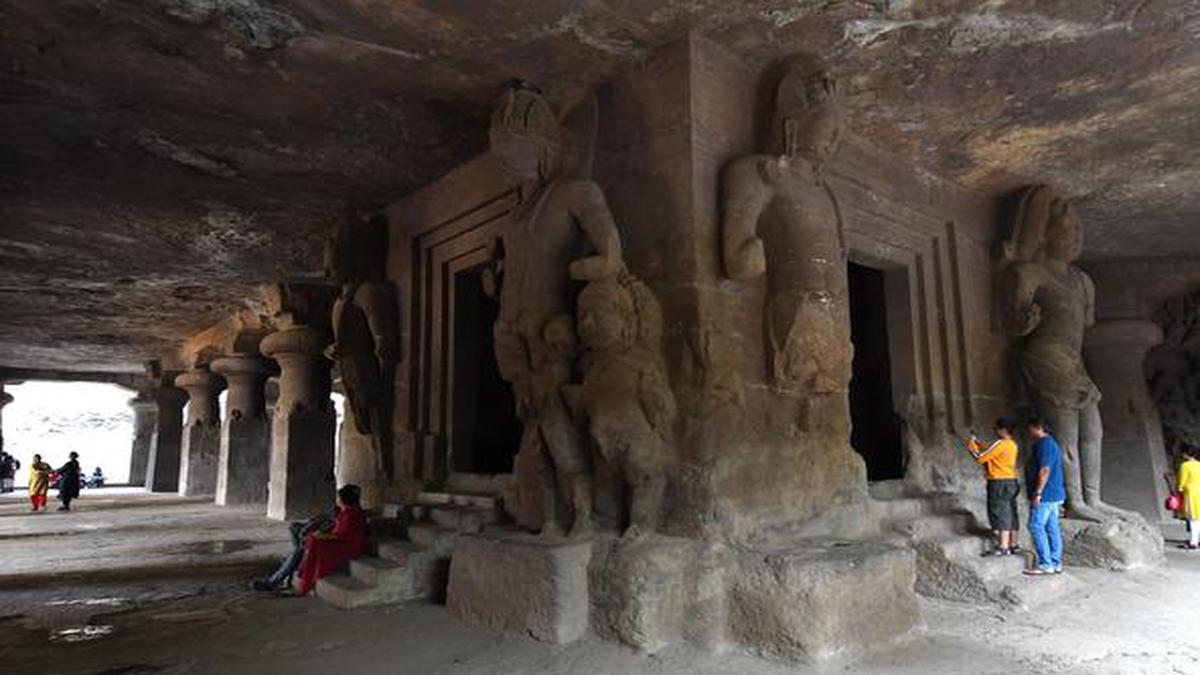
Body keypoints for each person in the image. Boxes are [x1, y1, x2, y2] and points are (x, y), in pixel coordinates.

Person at [294, 485, 368, 596]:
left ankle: (307, 579)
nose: (337, 499)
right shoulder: (347, 512)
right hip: (343, 542)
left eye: (338, 497)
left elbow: (342, 535)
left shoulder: (350, 514)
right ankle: (306, 576)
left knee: (314, 541)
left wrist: (323, 536)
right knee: (311, 539)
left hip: (348, 546)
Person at [967, 418, 1021, 556]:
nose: (995, 431)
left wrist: (971, 445)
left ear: (1003, 430)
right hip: (1011, 480)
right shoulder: (1012, 444)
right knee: (1011, 511)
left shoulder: (1000, 443)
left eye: (996, 429)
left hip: (999, 482)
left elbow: (980, 457)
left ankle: (1003, 546)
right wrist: (978, 444)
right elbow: (990, 453)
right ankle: (1013, 544)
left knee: (1001, 511)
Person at [251, 508, 337, 592]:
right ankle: (297, 552)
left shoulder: (341, 514)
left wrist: (313, 531)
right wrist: (308, 527)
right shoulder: (336, 509)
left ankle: (274, 580)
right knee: (294, 528)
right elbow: (321, 518)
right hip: (318, 530)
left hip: (326, 540)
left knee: (297, 552)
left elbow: (333, 527)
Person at [1023, 416, 1066, 576]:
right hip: (1054, 493)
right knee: (1052, 528)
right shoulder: (1051, 443)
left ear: (1038, 427)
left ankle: (1046, 564)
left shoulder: (1044, 444)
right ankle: (1055, 563)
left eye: (1030, 428)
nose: (1028, 431)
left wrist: (1038, 493)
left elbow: (1044, 470)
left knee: (1036, 526)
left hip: (1046, 495)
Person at [1176, 449, 1200, 550]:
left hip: (1191, 493)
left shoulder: (1185, 465)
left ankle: (1193, 542)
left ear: (1186, 455)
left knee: (1193, 518)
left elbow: (1182, 481)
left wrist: (1179, 489)